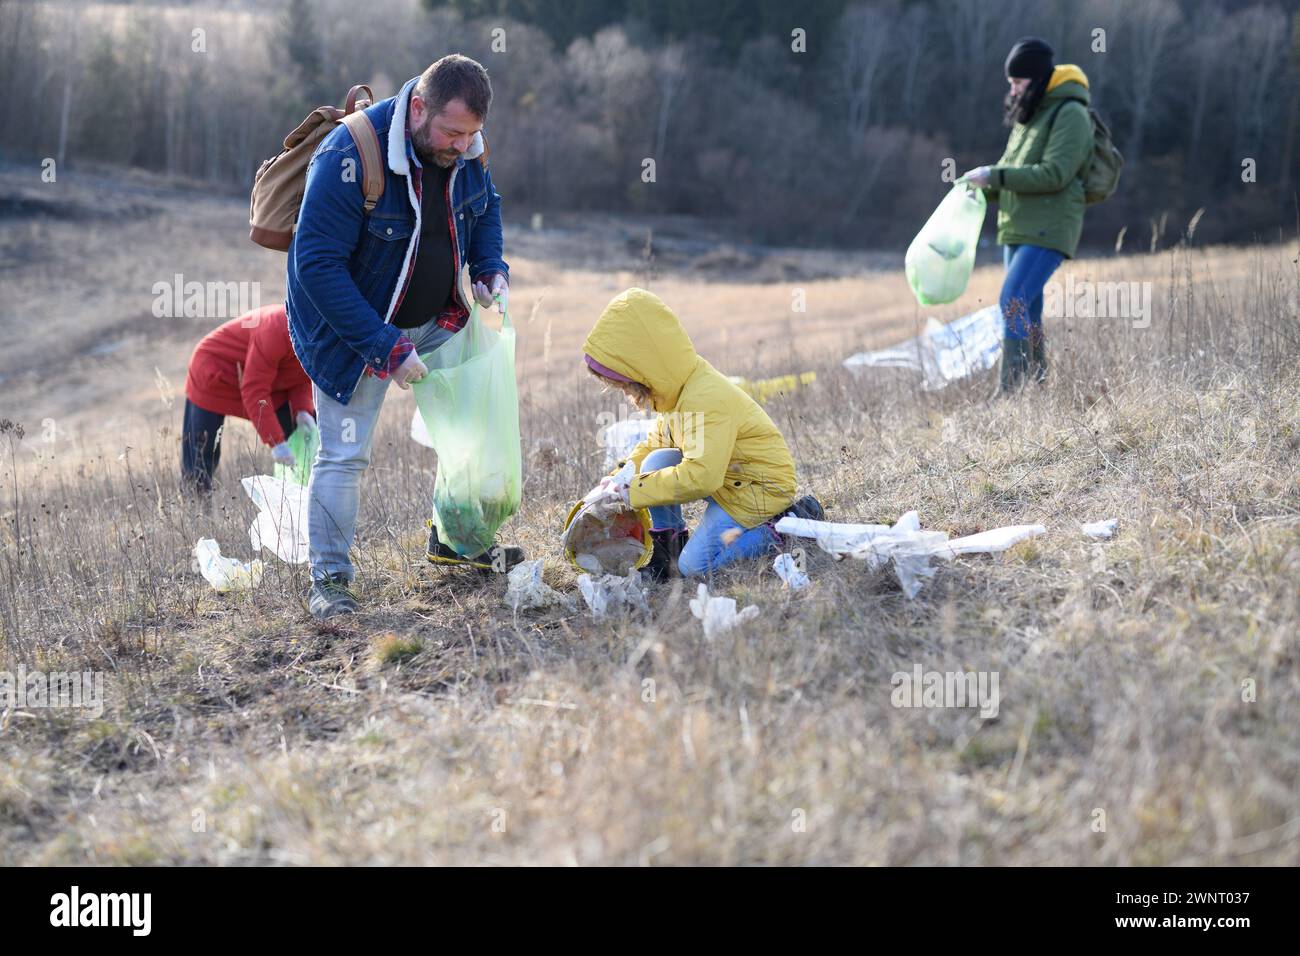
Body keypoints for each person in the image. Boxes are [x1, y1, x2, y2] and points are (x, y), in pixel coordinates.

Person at [285, 54, 521, 620]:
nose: (462, 146)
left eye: (471, 135)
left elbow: (486, 205)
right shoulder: (348, 154)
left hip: (439, 321)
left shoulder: (467, 145)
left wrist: (490, 266)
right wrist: (385, 347)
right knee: (344, 456)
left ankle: (458, 544)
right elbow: (315, 265)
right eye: (451, 132)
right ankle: (331, 583)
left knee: (475, 431)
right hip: (353, 333)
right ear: (418, 108)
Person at [581, 288, 823, 580]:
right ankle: (667, 553)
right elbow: (658, 443)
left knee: (695, 568)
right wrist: (619, 477)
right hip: (728, 478)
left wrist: (634, 492)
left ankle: (785, 525)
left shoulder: (704, 398)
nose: (626, 393)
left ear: (644, 369)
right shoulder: (673, 390)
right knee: (656, 461)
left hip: (758, 488)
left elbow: (702, 476)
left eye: (624, 384)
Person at [961, 37, 1094, 392]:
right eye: (1011, 84)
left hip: (1050, 228)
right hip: (1018, 227)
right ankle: (1035, 391)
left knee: (1013, 302)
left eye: (1018, 83)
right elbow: (1009, 168)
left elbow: (1055, 174)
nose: (1013, 90)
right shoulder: (1029, 114)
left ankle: (1011, 392)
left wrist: (994, 176)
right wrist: (980, 187)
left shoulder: (1071, 114)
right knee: (1027, 309)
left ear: (1037, 80)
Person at [181, 303, 314, 495]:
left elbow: (300, 374)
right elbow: (254, 389)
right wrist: (275, 441)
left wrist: (302, 409)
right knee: (200, 457)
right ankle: (195, 512)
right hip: (213, 373)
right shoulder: (276, 328)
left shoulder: (319, 336)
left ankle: (297, 499)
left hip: (264, 379)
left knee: (302, 430)